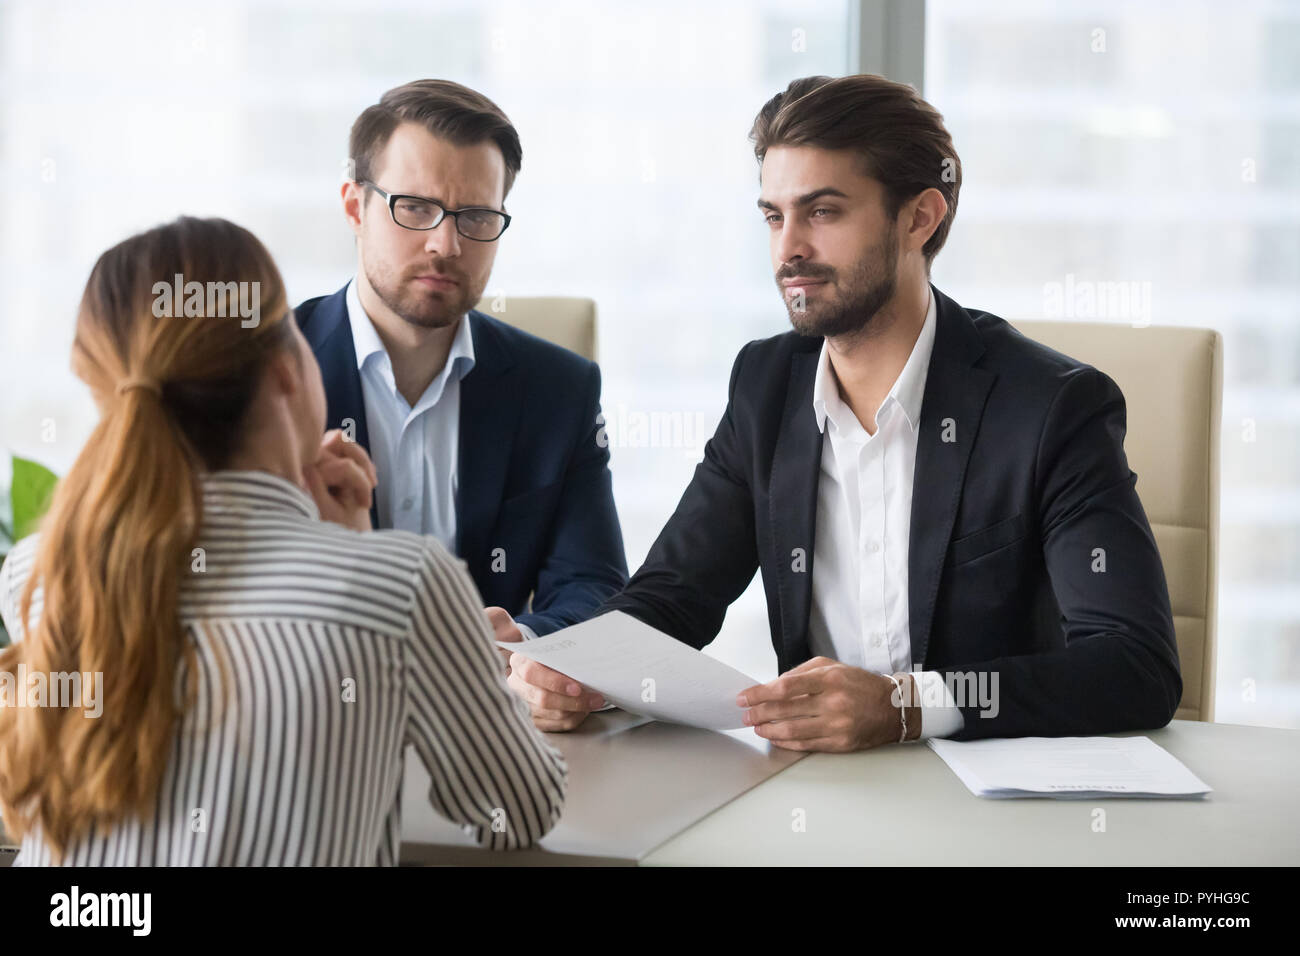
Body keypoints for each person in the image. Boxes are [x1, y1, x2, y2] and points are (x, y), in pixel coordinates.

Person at [506, 74, 1183, 749]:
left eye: (822, 213)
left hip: (985, 801)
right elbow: (672, 595)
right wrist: (581, 669)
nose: (787, 249)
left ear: (919, 218)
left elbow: (1133, 664)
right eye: (774, 216)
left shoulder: (1051, 407)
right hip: (813, 792)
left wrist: (905, 706)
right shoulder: (766, 385)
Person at [0, 216, 567, 865]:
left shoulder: (36, 574)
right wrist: (357, 560)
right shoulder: (402, 585)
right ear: (285, 372)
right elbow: (519, 809)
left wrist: (341, 553)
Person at [295, 79, 628, 646]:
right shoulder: (263, 374)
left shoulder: (559, 390)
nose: (446, 245)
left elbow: (593, 586)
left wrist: (523, 639)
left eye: (475, 216)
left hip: (483, 712)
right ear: (355, 207)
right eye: (417, 208)